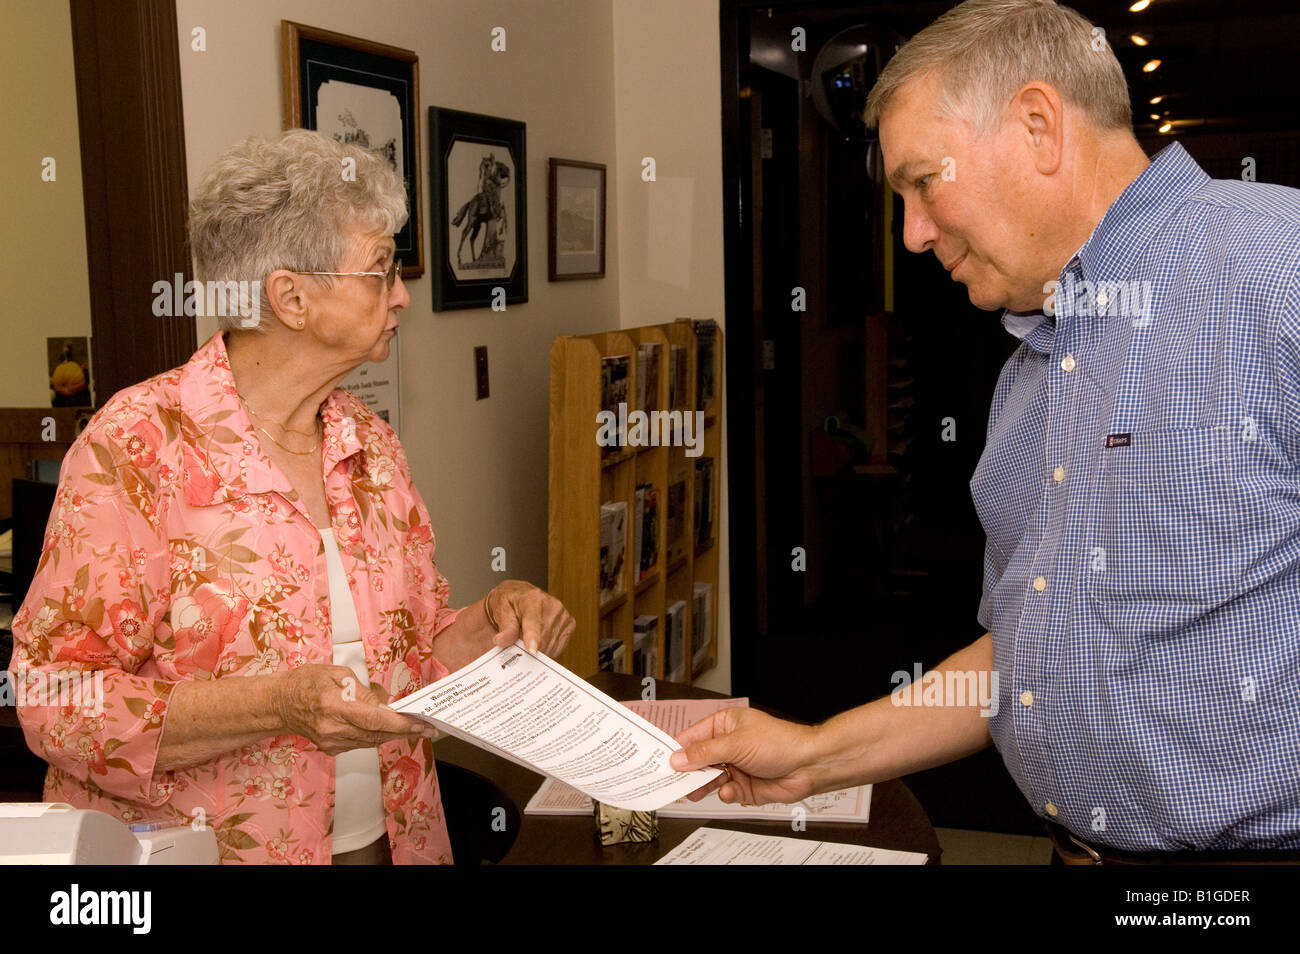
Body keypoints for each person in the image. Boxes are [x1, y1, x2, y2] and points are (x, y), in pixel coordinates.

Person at [673, 0, 1300, 859]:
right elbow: (1022, 662)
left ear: (1039, 126)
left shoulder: (1279, 272)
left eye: (924, 183)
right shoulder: (1029, 373)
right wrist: (817, 756)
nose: (914, 234)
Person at [8, 129, 575, 864]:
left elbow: (412, 656)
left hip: (391, 844)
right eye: (379, 269)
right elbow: (55, 702)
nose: (402, 294)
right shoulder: (138, 449)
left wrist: (494, 620)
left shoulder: (367, 442)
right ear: (292, 297)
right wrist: (279, 706)